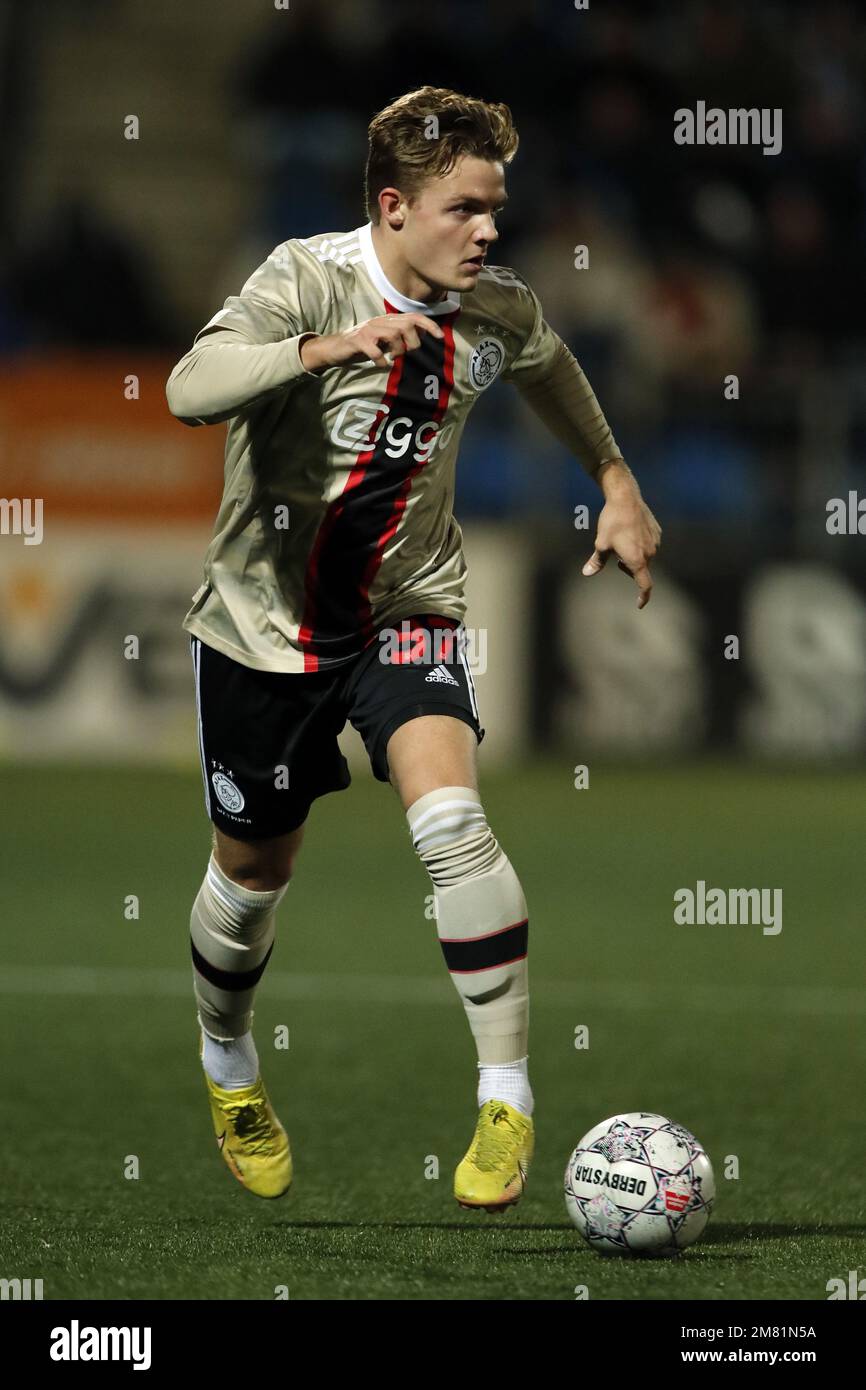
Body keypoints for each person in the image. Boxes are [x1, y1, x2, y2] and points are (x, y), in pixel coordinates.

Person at [166, 85, 661, 1212]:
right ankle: (228, 1060)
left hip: (407, 607)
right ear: (393, 208)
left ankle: (505, 1098)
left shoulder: (489, 305)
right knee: (251, 882)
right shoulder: (305, 276)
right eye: (464, 208)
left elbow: (548, 364)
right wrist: (322, 347)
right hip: (262, 626)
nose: (487, 230)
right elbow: (190, 390)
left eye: (494, 208)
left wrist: (615, 481)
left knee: (450, 819)